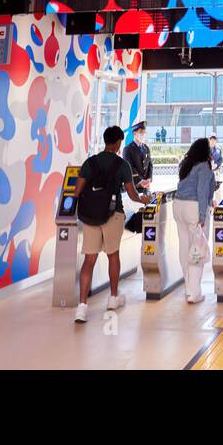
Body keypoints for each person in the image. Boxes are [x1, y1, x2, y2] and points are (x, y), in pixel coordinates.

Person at [74, 125, 152, 323]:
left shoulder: (90, 162)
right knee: (113, 255)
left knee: (89, 259)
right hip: (112, 214)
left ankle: (82, 307)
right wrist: (144, 200)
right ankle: (112, 298)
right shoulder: (122, 165)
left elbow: (77, 191)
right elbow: (133, 195)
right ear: (118, 142)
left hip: (90, 216)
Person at [173, 138, 216, 303]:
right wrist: (202, 216)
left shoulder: (187, 165)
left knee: (184, 248)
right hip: (194, 207)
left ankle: (187, 288)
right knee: (198, 248)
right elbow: (202, 190)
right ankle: (194, 293)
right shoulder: (204, 167)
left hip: (178, 206)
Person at [123, 121, 153, 193]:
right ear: (134, 133)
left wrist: (149, 178)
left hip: (146, 187)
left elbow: (150, 165)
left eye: (144, 132)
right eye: (141, 132)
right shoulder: (128, 149)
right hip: (134, 186)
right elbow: (129, 167)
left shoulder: (146, 148)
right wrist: (140, 181)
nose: (143, 134)